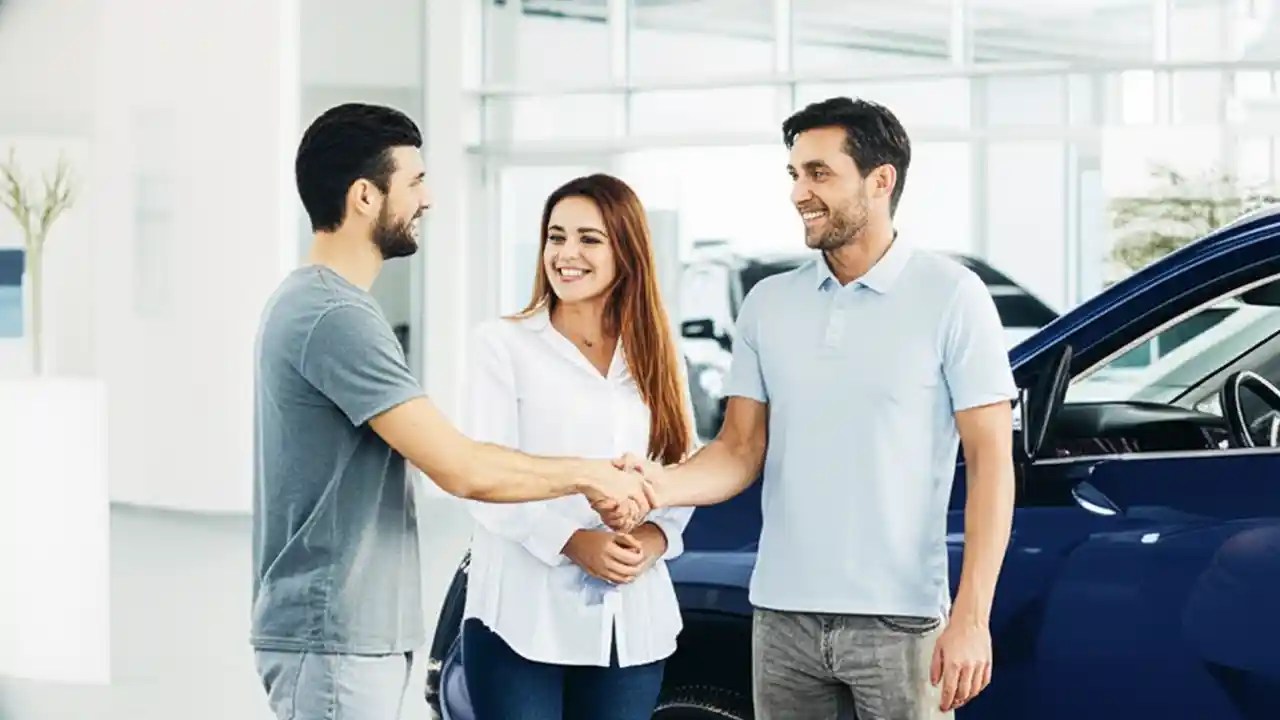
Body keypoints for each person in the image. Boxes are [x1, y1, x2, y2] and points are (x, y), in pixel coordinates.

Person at [616, 97, 1018, 719]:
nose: (800, 191)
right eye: (795, 174)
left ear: (880, 180)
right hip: (782, 617)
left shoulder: (952, 295)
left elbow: (991, 461)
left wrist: (972, 616)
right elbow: (738, 448)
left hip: (901, 619)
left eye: (819, 173)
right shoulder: (769, 303)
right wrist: (656, 488)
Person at [250, 104, 649, 720]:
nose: (427, 199)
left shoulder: (320, 304)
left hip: (344, 632)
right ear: (364, 196)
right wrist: (592, 472)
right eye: (414, 182)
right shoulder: (335, 317)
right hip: (333, 632)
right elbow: (461, 468)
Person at [459, 173, 697, 720]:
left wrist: (654, 539)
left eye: (589, 239)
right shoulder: (502, 345)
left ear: (626, 249)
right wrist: (573, 541)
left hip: (630, 624)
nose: (566, 254)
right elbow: (483, 477)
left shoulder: (660, 355)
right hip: (520, 617)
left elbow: (681, 468)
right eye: (555, 236)